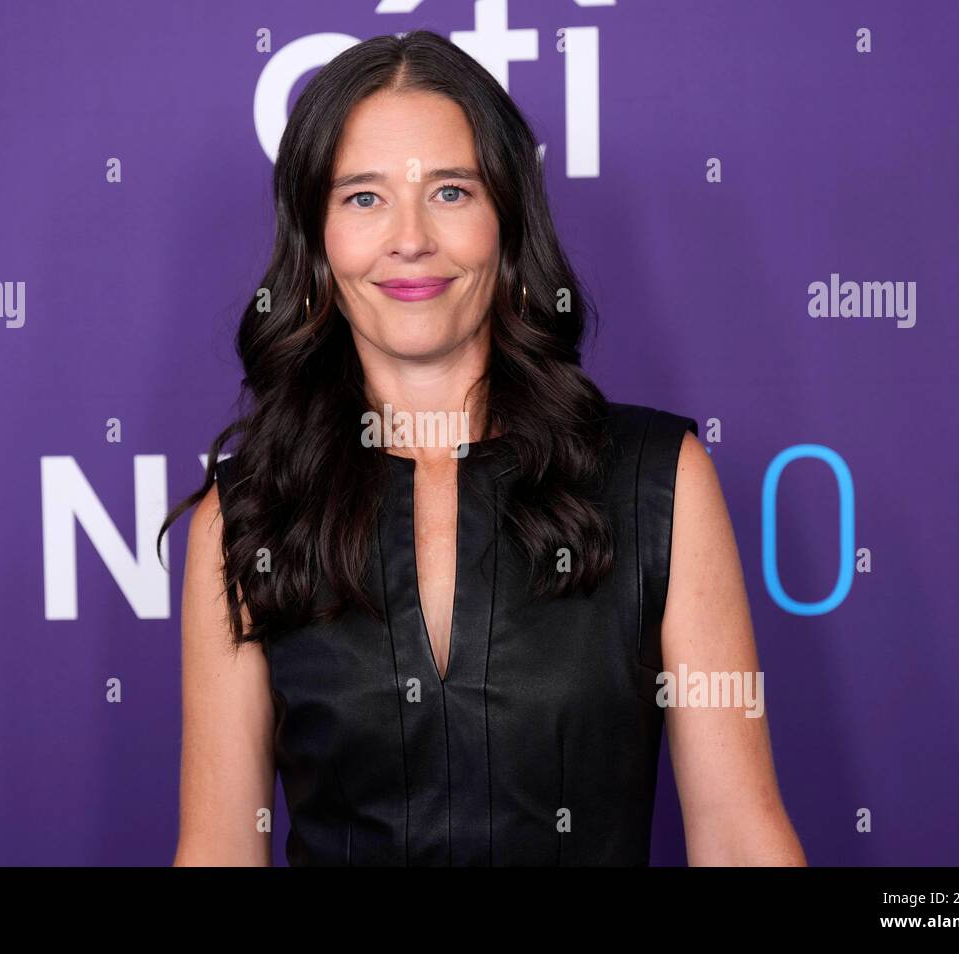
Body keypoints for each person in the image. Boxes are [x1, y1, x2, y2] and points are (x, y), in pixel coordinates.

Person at [163, 30, 804, 866]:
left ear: (508, 222)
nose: (410, 238)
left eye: (452, 192)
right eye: (363, 197)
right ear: (316, 244)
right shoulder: (245, 517)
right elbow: (218, 850)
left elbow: (738, 835)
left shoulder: (658, 480)